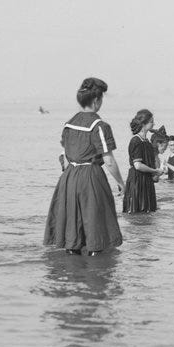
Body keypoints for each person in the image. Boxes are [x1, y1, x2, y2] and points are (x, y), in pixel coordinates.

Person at [45, 78, 126, 255]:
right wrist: (121, 183)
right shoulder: (99, 126)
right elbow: (109, 160)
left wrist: (70, 175)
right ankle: (95, 270)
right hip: (90, 177)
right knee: (95, 225)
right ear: (96, 100)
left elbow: (63, 156)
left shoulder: (69, 123)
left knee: (73, 227)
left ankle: (73, 269)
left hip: (69, 177)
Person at [123, 109, 163, 213]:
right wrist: (154, 171)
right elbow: (138, 165)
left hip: (146, 180)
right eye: (151, 121)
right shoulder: (136, 140)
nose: (154, 123)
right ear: (144, 123)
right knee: (138, 211)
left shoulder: (146, 141)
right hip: (137, 181)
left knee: (148, 212)